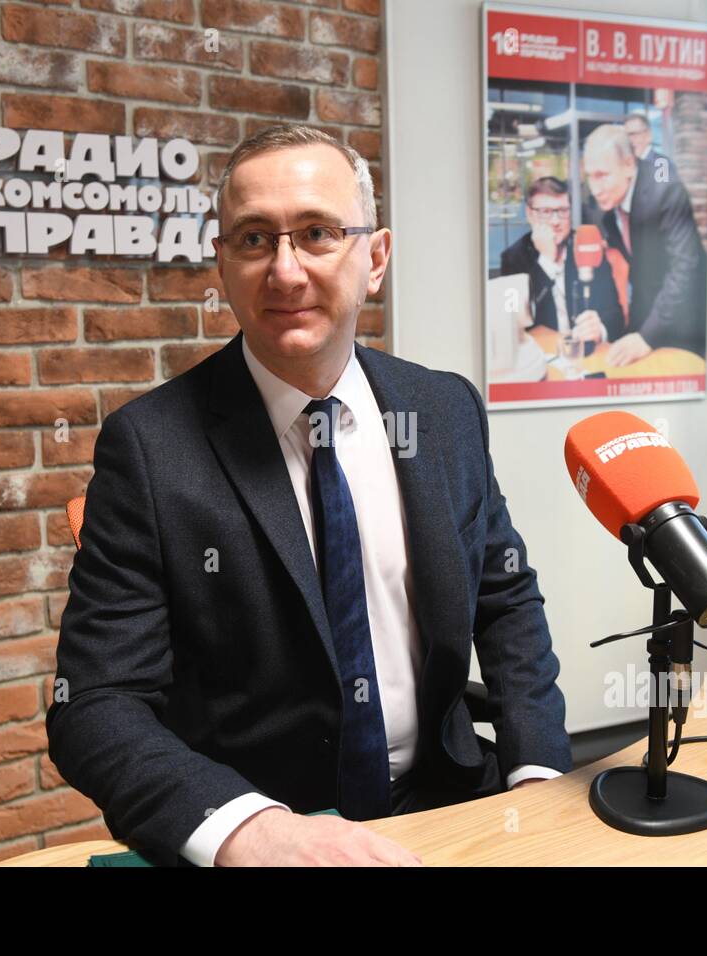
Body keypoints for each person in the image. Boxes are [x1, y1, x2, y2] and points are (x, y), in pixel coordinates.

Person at [47, 124, 572, 867]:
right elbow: (95, 707)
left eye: (318, 233)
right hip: (267, 828)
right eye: (255, 239)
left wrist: (537, 773)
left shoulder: (446, 411)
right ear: (221, 263)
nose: (286, 272)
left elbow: (506, 602)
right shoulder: (149, 450)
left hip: (452, 805)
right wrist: (247, 830)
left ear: (375, 258)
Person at [583, 124, 707, 363]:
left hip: (687, 316)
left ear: (629, 165)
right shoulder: (603, 205)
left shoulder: (666, 191)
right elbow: (640, 274)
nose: (595, 188)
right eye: (589, 176)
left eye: (602, 175)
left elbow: (684, 270)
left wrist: (647, 337)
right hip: (651, 310)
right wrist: (633, 332)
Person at [499, 176, 624, 347]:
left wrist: (600, 330)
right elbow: (511, 322)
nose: (556, 221)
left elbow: (616, 316)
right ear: (530, 214)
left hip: (586, 356)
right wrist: (547, 262)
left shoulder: (588, 246)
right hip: (540, 358)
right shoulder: (513, 259)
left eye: (563, 211)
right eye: (545, 212)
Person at [623, 112, 678, 183]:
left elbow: (662, 192)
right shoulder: (627, 164)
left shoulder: (661, 163)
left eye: (634, 134)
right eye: (627, 136)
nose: (630, 140)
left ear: (649, 135)